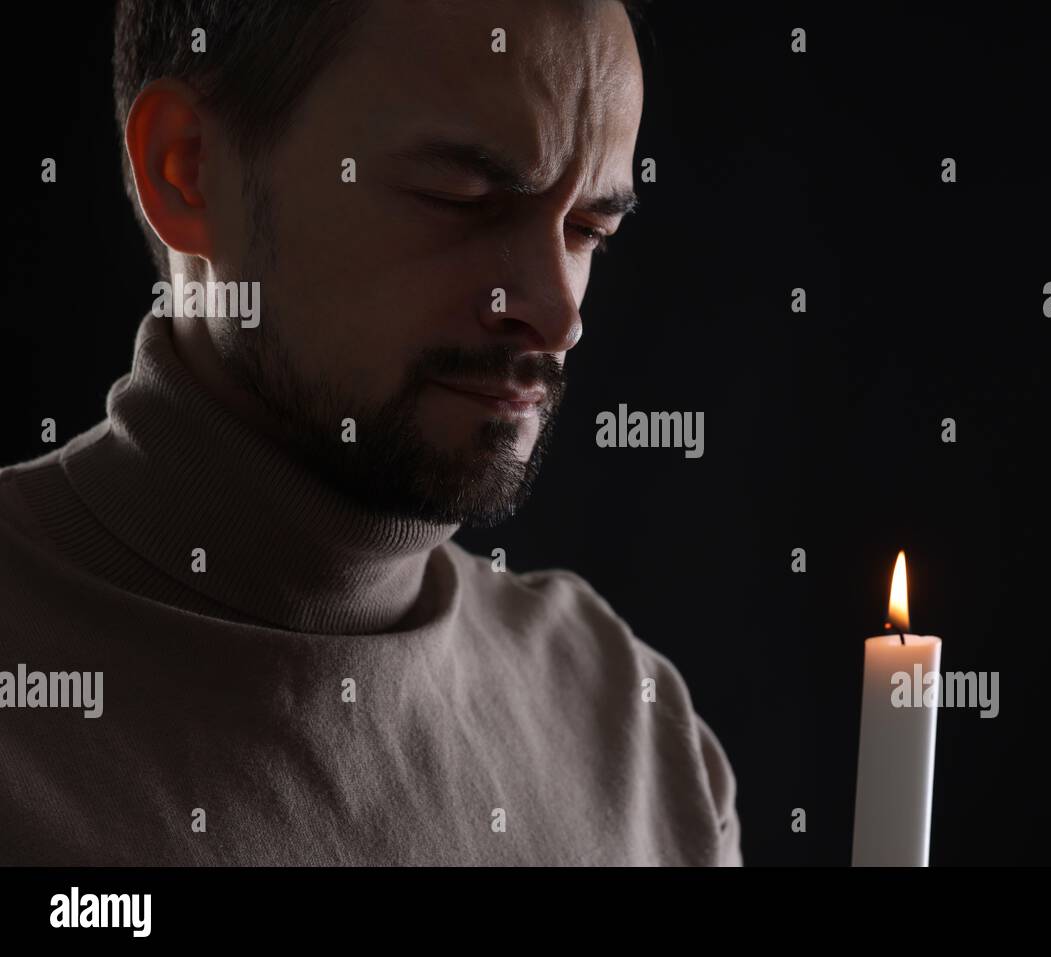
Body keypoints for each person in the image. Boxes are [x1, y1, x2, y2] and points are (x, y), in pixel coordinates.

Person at [0, 0, 741, 866]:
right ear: (188, 171)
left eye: (588, 230)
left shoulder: (641, 740)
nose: (558, 314)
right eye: (462, 200)